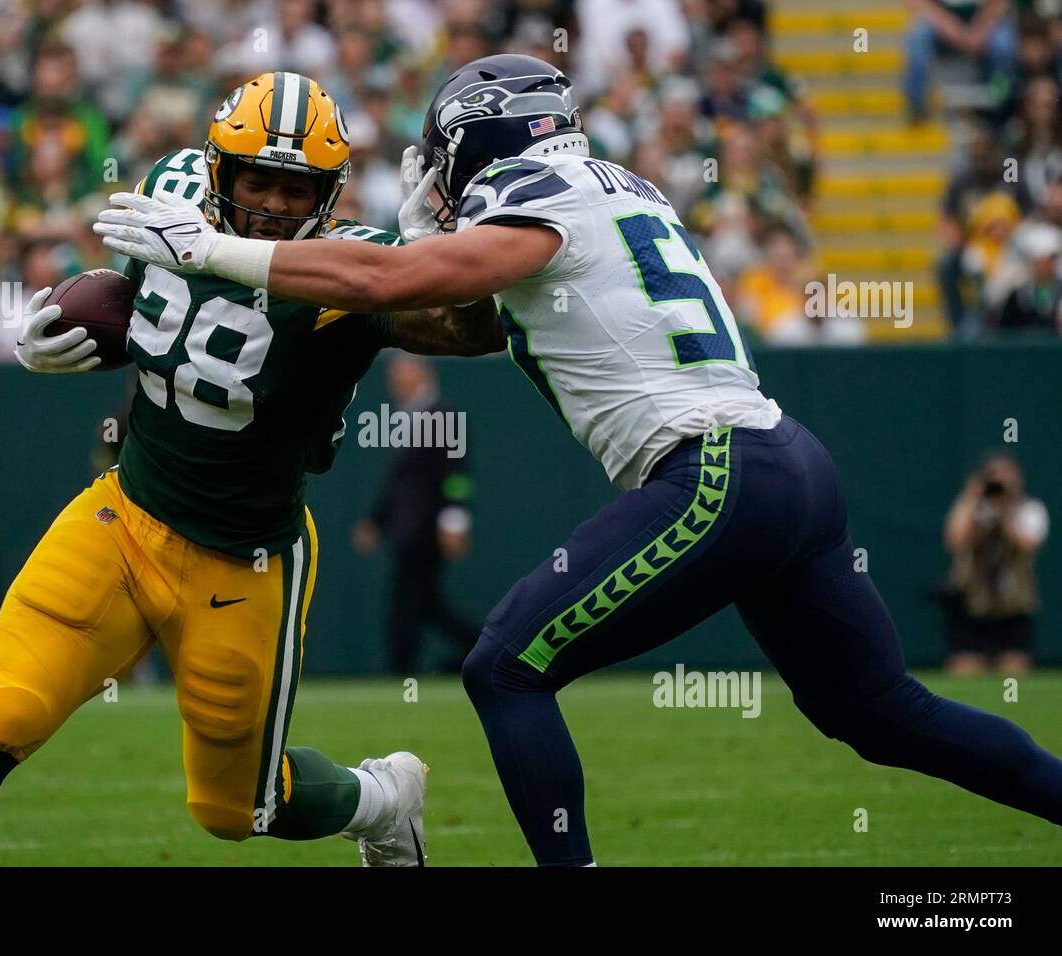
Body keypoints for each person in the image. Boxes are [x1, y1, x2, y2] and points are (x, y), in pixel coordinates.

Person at [98, 53, 1062, 866]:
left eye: (440, 154)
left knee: (505, 667)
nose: (432, 174)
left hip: (714, 470)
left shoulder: (537, 196)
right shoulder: (616, 186)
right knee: (882, 712)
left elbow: (393, 276)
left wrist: (212, 251)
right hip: (785, 464)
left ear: (480, 141)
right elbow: (464, 316)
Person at [0, 71, 501, 868]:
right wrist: (53, 334)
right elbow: (133, 301)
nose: (275, 202)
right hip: (124, 519)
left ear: (329, 191)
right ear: (216, 168)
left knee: (238, 807)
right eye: (258, 179)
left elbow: (473, 330)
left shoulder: (352, 269)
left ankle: (381, 801)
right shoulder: (169, 187)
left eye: (295, 186)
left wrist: (439, 260)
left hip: (243, 561)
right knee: (1, 713)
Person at [352, 354, 479, 673]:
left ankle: (405, 671)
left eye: (400, 378)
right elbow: (399, 482)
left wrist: (454, 521)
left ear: (420, 376)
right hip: (407, 528)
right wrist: (377, 522)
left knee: (411, 602)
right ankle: (478, 651)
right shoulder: (409, 416)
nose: (393, 385)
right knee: (423, 603)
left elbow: (457, 475)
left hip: (428, 529)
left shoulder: (443, 415)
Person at [943, 455, 1049, 675]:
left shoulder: (1030, 509)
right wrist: (971, 498)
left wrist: (1005, 512)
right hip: (972, 601)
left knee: (1014, 671)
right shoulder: (973, 509)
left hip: (1013, 604)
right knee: (965, 670)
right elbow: (956, 541)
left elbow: (1026, 544)